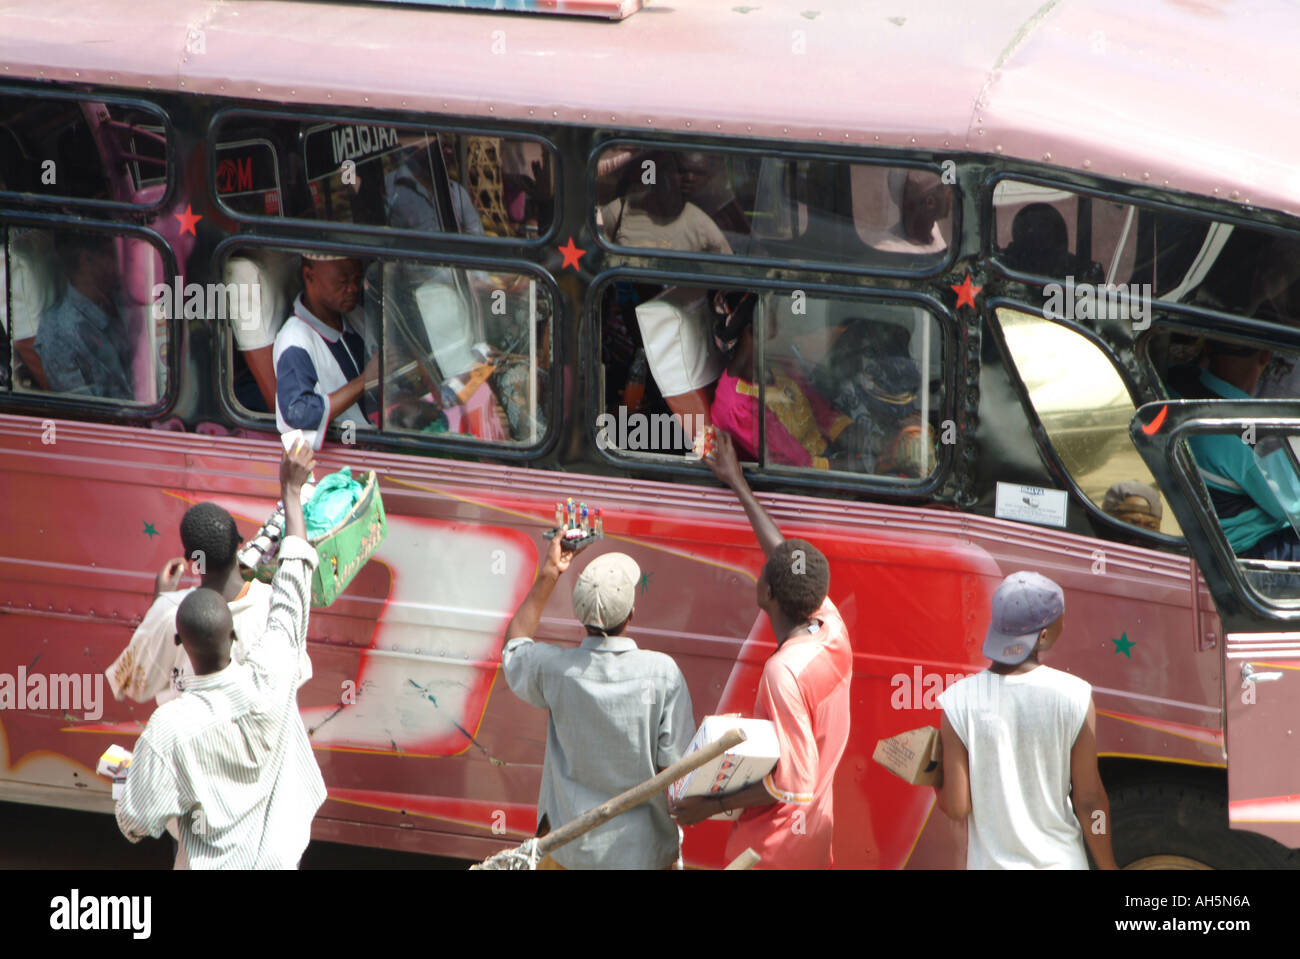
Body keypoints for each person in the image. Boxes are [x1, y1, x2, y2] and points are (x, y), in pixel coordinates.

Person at [115, 441, 327, 869]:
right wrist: (290, 490)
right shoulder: (271, 662)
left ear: (182, 645)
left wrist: (160, 603)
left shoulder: (168, 729)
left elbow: (136, 822)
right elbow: (295, 575)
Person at [672, 431, 852, 869]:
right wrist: (737, 482)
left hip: (770, 852)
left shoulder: (782, 673)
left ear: (766, 593)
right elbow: (784, 556)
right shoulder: (830, 628)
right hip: (810, 845)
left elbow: (794, 784)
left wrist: (706, 807)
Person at [501, 535, 695, 869]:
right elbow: (677, 769)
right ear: (631, 612)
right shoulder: (662, 674)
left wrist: (550, 572)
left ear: (581, 616)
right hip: (642, 854)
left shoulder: (554, 670)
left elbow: (515, 645)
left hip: (567, 851)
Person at [934, 571, 1118, 870]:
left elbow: (957, 806)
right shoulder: (1074, 696)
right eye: (1061, 617)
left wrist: (932, 779)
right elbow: (1090, 802)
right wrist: (1108, 865)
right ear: (1043, 636)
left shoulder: (958, 701)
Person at [105, 502, 311, 706]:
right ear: (239, 542)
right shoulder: (274, 604)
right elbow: (297, 674)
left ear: (191, 559)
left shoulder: (171, 612)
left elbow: (132, 684)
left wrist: (159, 603)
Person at [1168, 341, 1300, 559]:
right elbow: (1293, 508)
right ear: (1264, 356)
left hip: (1204, 530)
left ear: (1208, 348)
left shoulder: (1177, 380)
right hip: (1244, 551)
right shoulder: (1253, 436)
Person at [709, 291, 854, 469]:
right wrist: (864, 466)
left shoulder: (774, 367)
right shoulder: (740, 407)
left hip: (833, 457)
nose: (780, 315)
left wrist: (859, 437)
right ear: (753, 328)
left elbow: (822, 414)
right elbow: (801, 467)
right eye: (773, 310)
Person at [273, 253, 378, 449]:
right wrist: (365, 380)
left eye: (357, 279)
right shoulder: (295, 339)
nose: (353, 288)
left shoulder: (355, 316)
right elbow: (299, 413)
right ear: (309, 276)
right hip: (343, 454)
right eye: (342, 281)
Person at [34, 232, 134, 399]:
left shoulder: (122, 297)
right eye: (111, 253)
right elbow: (88, 414)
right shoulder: (59, 333)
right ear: (86, 259)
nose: (119, 262)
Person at [598, 151, 733, 255]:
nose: (689, 178)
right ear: (661, 172)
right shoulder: (618, 211)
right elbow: (590, 255)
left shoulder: (702, 225)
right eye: (681, 171)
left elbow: (727, 272)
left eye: (698, 173)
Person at [868, 170, 950, 255]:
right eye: (944, 188)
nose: (949, 194)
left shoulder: (933, 230)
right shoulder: (890, 250)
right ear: (930, 202)